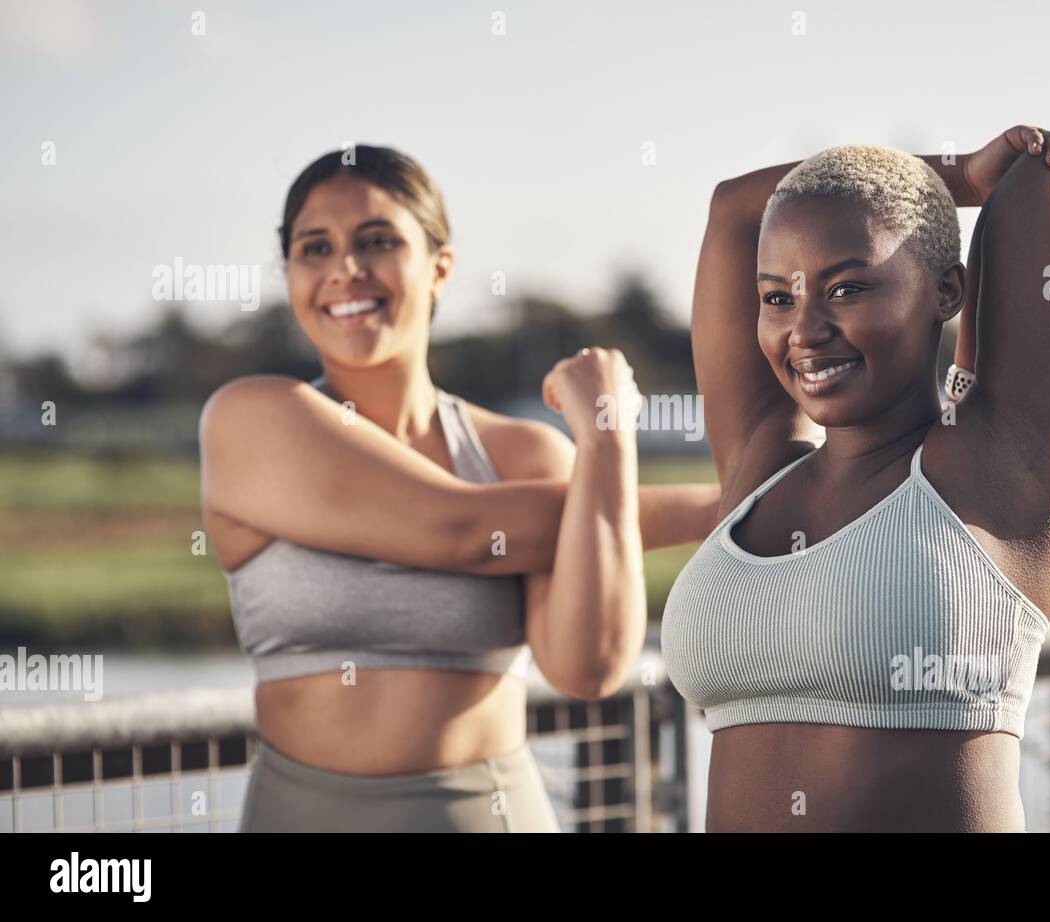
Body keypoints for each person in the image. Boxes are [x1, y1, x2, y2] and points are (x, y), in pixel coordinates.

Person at [198, 145, 719, 832]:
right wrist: (728, 503)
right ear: (290, 272)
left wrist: (607, 434)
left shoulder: (523, 452)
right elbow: (462, 529)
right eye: (313, 248)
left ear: (440, 266)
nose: (344, 270)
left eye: (377, 241)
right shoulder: (252, 419)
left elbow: (589, 667)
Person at [661, 126, 1050, 831]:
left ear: (947, 288)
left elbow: (1034, 186)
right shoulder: (761, 471)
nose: (803, 330)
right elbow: (736, 208)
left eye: (847, 288)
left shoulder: (991, 471)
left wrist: (982, 178)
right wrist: (955, 174)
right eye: (778, 298)